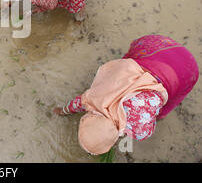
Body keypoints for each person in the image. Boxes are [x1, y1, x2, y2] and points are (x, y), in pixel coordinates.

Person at [53, 34, 199, 155]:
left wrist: (62, 112)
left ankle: (163, 114)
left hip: (186, 73)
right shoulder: (92, 98)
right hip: (157, 46)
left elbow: (150, 125)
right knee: (127, 62)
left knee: (168, 103)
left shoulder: (140, 131)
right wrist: (61, 111)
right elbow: (75, 104)